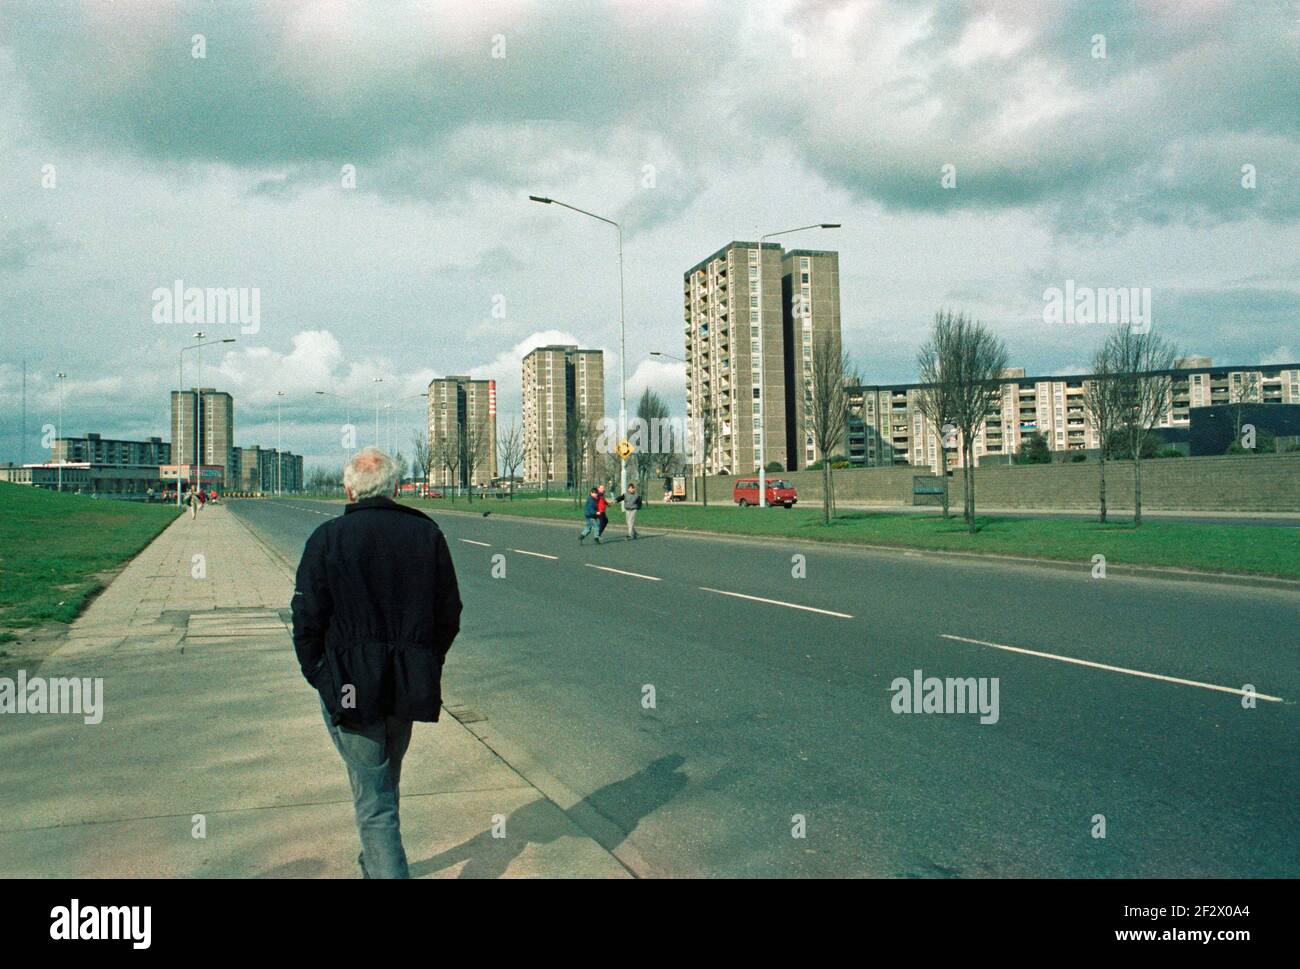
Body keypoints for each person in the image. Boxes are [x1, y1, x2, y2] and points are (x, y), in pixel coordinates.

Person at [291, 447, 462, 879]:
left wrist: (323, 678)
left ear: (348, 490)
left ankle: (384, 868)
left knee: (374, 798)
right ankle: (375, 863)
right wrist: (424, 660)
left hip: (352, 686)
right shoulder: (427, 534)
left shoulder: (328, 539)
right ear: (396, 489)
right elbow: (449, 614)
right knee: (383, 786)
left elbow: (306, 620)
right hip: (404, 684)